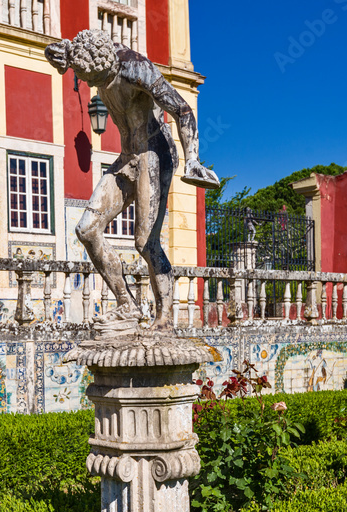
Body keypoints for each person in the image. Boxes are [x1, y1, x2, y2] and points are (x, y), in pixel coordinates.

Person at [45, 30, 220, 331]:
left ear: (104, 65)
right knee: (87, 229)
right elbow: (61, 51)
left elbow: (182, 109)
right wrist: (62, 52)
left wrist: (192, 158)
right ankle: (127, 306)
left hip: (154, 154)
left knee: (145, 243)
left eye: (93, 78)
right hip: (127, 157)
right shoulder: (93, 59)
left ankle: (164, 319)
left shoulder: (135, 68)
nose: (90, 84)